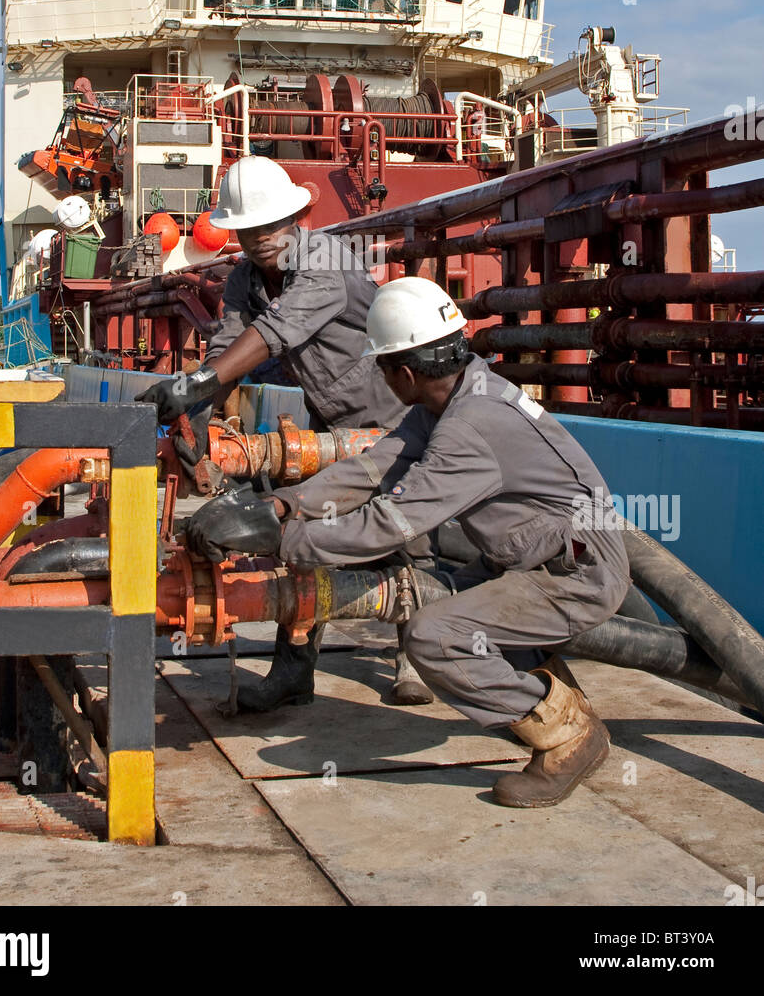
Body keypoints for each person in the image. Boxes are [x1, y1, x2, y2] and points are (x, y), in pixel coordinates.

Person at [185, 276, 632, 808]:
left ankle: (569, 736)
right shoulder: (457, 396)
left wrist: (282, 541)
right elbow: (372, 468)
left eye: (380, 365)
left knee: (434, 636)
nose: (379, 376)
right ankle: (550, 694)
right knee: (429, 595)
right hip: (530, 560)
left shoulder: (470, 428)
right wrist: (282, 506)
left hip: (571, 575)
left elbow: (389, 523)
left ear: (402, 371)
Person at [138, 154, 432, 711]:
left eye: (271, 226)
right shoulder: (246, 279)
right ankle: (294, 670)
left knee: (405, 529)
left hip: (392, 413)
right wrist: (202, 417)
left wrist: (198, 383)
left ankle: (412, 653)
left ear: (294, 220)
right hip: (326, 421)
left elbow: (276, 331)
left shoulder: (325, 260)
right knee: (309, 535)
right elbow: (228, 347)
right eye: (249, 230)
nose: (261, 239)